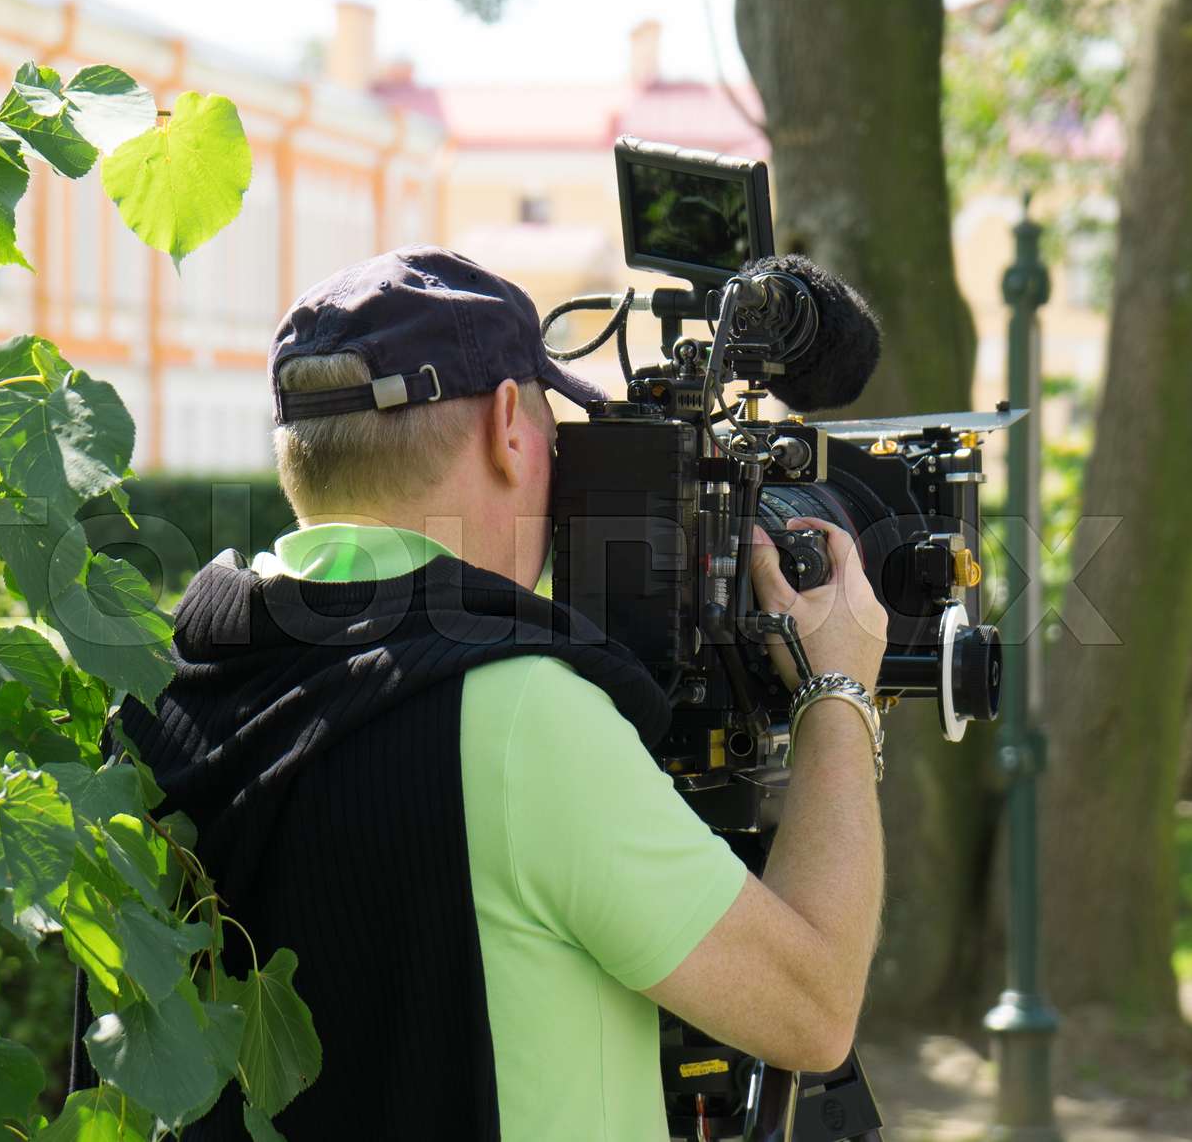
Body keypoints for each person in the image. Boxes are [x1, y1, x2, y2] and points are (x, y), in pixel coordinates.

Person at [98, 246, 887, 1141]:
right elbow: (814, 1010)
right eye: (556, 427)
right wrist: (836, 686)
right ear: (510, 424)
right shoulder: (523, 718)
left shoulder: (160, 690)